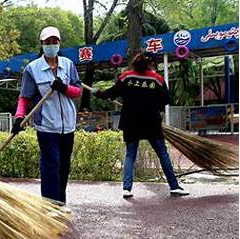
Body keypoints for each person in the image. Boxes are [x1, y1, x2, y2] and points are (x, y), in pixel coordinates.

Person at [95, 52, 189, 198]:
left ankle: (127, 188)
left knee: (130, 155)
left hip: (130, 122)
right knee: (162, 154)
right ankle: (174, 186)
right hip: (151, 122)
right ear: (151, 64)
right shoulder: (156, 79)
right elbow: (166, 99)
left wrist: (99, 94)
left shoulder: (126, 77)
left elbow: (110, 93)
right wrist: (151, 104)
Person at [11, 26, 83, 211]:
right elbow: (25, 97)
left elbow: (77, 91)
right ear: (41, 44)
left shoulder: (67, 64)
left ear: (59, 43)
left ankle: (61, 202)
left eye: (54, 42)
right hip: (47, 126)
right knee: (51, 164)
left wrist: (64, 88)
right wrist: (20, 117)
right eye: (47, 42)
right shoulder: (32, 69)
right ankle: (50, 205)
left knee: (64, 166)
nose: (51, 45)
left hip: (68, 126)